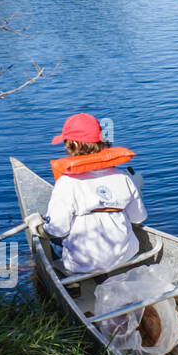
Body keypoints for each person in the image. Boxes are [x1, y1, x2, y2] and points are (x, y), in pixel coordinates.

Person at [39, 112, 147, 276]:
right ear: (100, 141)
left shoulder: (67, 183)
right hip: (126, 255)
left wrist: (38, 228)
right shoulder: (123, 177)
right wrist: (135, 188)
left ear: (73, 143)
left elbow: (57, 230)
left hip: (83, 265)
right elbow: (138, 219)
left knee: (52, 238)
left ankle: (70, 283)